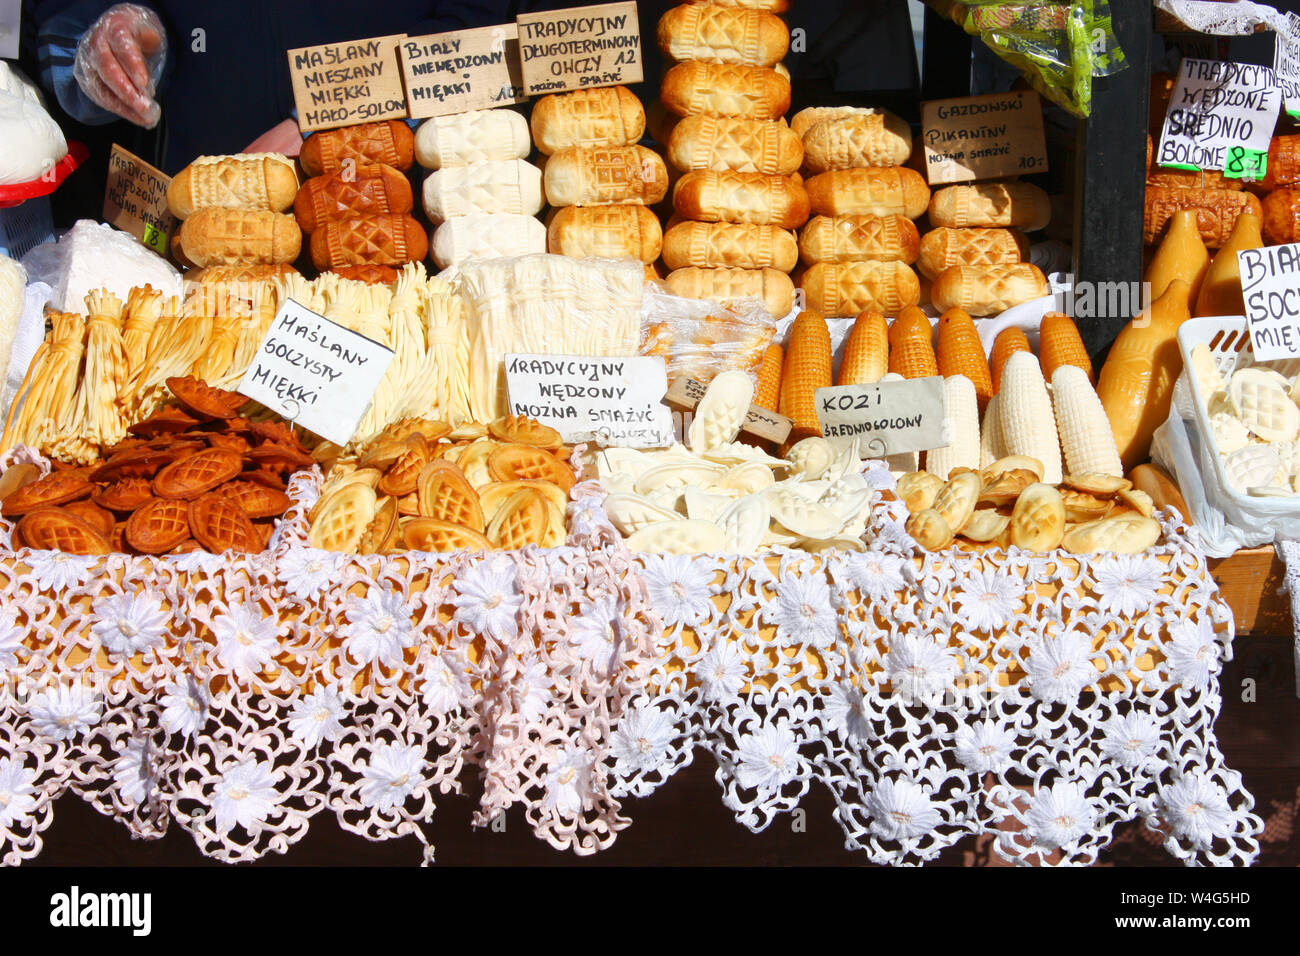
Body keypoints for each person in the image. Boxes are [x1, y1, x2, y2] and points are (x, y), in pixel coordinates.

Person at [34, 0, 499, 172]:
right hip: (204, 198)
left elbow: (481, 27)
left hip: (401, 195)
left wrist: (332, 118)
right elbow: (70, 18)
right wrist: (106, 46)